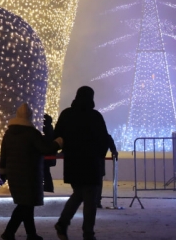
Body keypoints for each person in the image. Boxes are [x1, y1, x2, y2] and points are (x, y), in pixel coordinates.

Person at [0, 103, 63, 240]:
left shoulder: (9, 133)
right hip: (29, 174)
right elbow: (45, 149)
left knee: (26, 204)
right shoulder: (32, 133)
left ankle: (30, 233)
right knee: (25, 204)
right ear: (30, 116)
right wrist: (58, 142)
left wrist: (3, 171)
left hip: (14, 173)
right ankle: (9, 232)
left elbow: (3, 153)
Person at [54, 86, 111, 240]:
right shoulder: (95, 116)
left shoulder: (67, 114)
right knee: (90, 199)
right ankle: (87, 233)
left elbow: (57, 136)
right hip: (91, 163)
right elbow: (103, 139)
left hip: (73, 161)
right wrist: (99, 155)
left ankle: (63, 223)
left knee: (79, 193)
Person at [95, 134, 118, 208]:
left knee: (97, 181)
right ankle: (96, 201)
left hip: (97, 159)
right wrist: (113, 150)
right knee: (97, 181)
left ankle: (96, 201)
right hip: (97, 159)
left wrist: (113, 150)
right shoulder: (103, 134)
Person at [43, 114, 57, 193]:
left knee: (45, 171)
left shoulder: (45, 130)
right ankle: (48, 187)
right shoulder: (50, 129)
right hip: (49, 154)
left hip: (45, 154)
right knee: (46, 171)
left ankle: (48, 187)